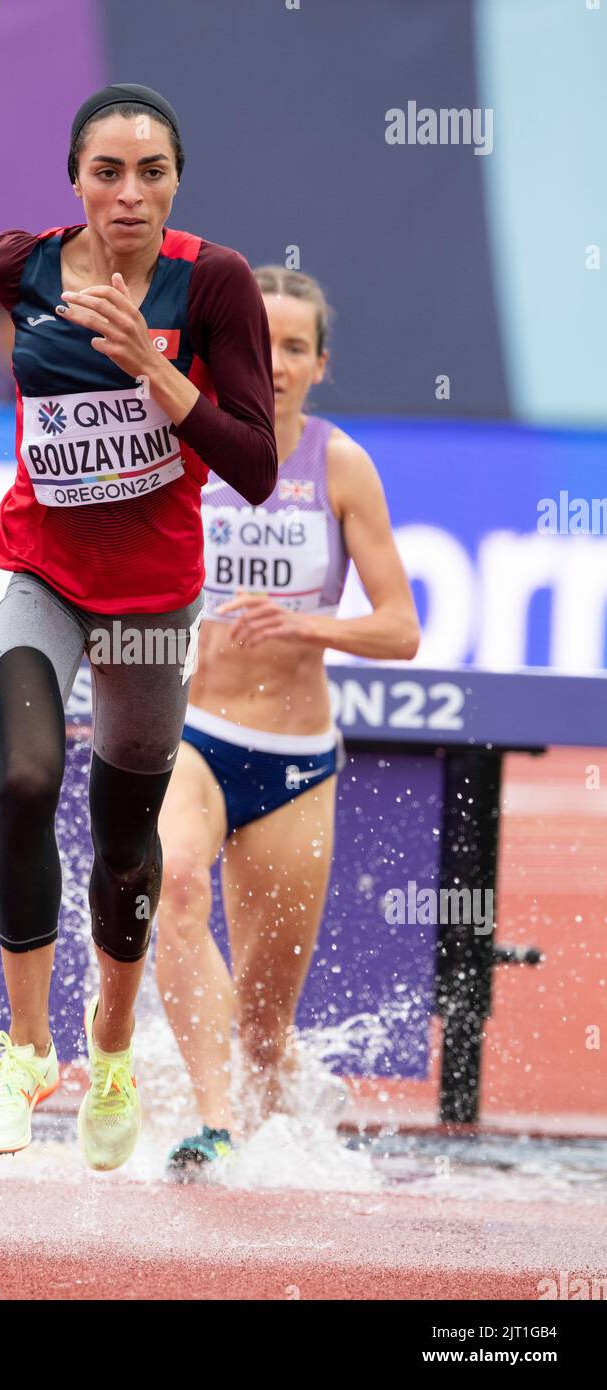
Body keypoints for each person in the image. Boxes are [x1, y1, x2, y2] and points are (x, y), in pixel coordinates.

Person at [0, 83, 278, 1171]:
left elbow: (252, 464)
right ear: (76, 181)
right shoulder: (29, 265)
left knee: (121, 838)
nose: (128, 193)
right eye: (107, 172)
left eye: (150, 172)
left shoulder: (217, 284)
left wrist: (155, 370)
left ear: (175, 181)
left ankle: (109, 1040)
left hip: (151, 594)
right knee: (24, 776)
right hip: (35, 565)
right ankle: (25, 1050)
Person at [156, 268, 420, 1177]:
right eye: (258, 344)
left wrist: (305, 622)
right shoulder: (180, 448)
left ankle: (283, 1166)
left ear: (319, 365)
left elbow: (401, 629)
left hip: (296, 756)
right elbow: (94, 572)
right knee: (179, 885)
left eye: (295, 348)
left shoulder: (339, 466)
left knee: (268, 1027)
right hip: (190, 732)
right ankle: (211, 1123)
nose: (273, 364)